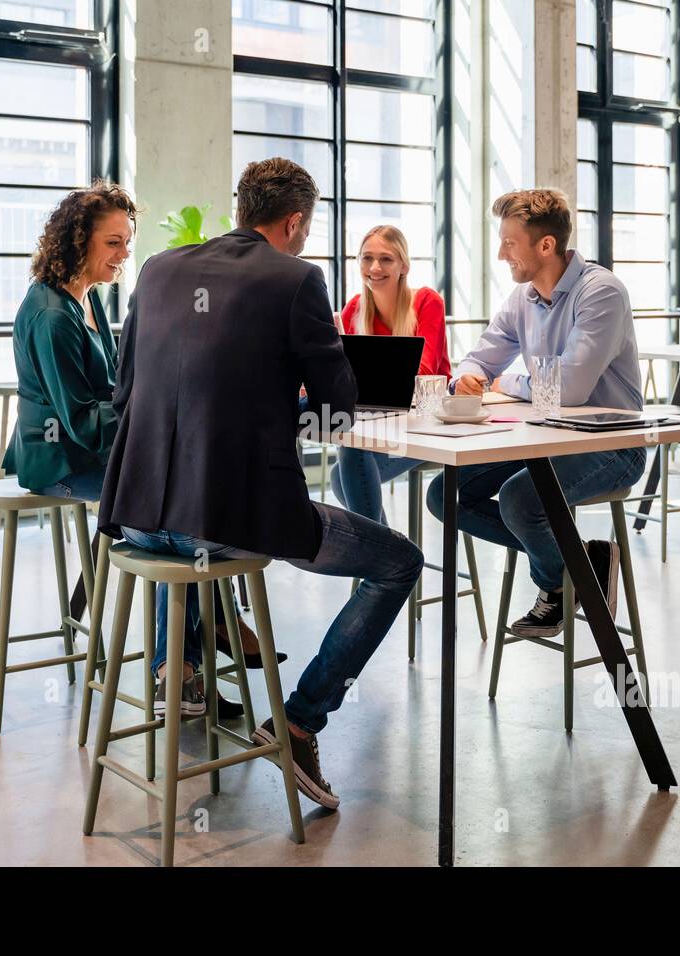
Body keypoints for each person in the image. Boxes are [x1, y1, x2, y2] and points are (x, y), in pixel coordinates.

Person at [100, 157, 424, 810]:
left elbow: (125, 389)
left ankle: (182, 671)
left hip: (132, 514)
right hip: (225, 524)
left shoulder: (158, 269)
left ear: (241, 205)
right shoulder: (298, 280)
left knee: (200, 518)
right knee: (400, 561)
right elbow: (338, 404)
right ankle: (299, 722)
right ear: (295, 221)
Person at [426, 188, 645, 638]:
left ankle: (556, 587)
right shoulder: (522, 298)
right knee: (443, 495)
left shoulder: (600, 292)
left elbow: (569, 389)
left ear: (546, 245)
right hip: (541, 439)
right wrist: (467, 376)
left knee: (520, 499)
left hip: (612, 445)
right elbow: (479, 358)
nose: (501, 253)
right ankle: (581, 563)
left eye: (509, 242)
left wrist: (504, 381)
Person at [9, 180, 137, 505]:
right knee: (172, 481)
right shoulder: (53, 316)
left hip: (90, 452)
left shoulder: (88, 296)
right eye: (113, 242)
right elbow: (83, 422)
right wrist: (147, 416)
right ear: (78, 243)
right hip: (60, 465)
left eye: (126, 242)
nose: (124, 253)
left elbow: (113, 382)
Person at [328, 225, 449, 523]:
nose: (375, 267)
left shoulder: (426, 302)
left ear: (404, 265)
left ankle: (389, 561)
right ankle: (393, 559)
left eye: (386, 259)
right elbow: (338, 366)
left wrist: (357, 379)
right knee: (342, 469)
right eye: (367, 258)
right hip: (380, 421)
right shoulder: (355, 308)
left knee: (348, 459)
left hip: (426, 425)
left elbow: (425, 372)